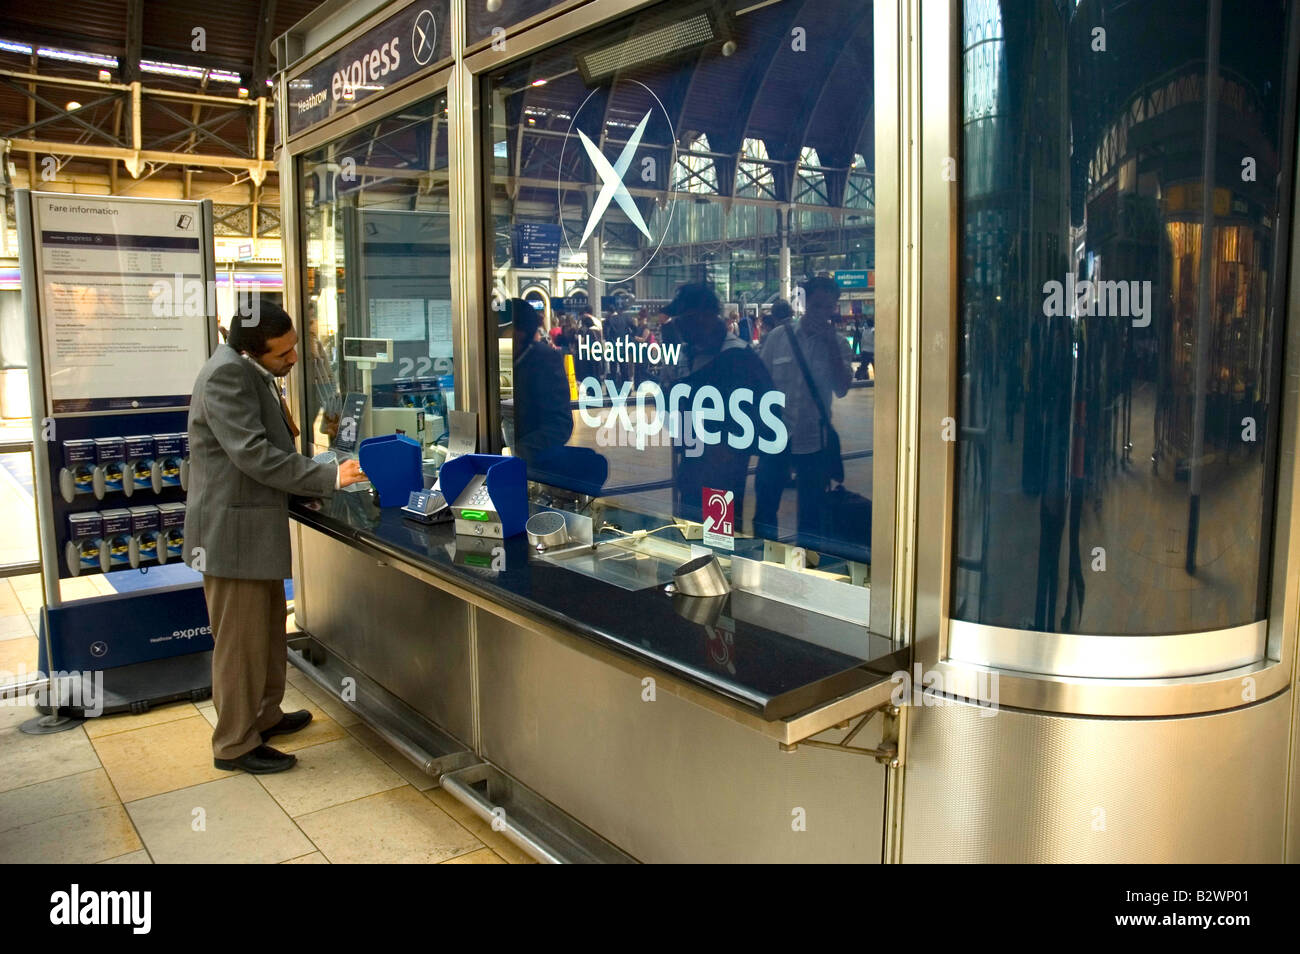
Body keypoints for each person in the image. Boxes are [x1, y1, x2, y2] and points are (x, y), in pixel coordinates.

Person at [185, 298, 367, 775]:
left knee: (264, 634)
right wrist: (327, 477)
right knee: (239, 644)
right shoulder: (228, 375)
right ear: (249, 351)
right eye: (282, 354)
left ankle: (263, 715)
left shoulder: (247, 371)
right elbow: (254, 455)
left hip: (251, 530)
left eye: (293, 348)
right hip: (231, 535)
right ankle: (234, 744)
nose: (293, 360)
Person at [668, 283, 777, 525]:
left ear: (703, 316)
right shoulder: (689, 354)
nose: (678, 326)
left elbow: (768, 414)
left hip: (722, 474)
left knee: (717, 544)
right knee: (691, 540)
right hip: (692, 469)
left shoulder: (738, 358)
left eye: (682, 319)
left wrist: (731, 448)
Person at [758, 277, 853, 550]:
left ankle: (804, 571)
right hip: (776, 439)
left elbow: (843, 388)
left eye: (828, 307)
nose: (822, 312)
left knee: (811, 515)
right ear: (805, 304)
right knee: (765, 510)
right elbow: (762, 383)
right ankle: (763, 562)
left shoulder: (839, 344)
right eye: (817, 305)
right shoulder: (779, 338)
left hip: (814, 443)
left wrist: (831, 345)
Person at [509, 299, 608, 495]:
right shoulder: (492, 358)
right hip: (504, 460)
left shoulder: (544, 360)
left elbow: (559, 424)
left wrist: (518, 451)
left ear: (519, 333)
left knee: (593, 463)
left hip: (528, 459)